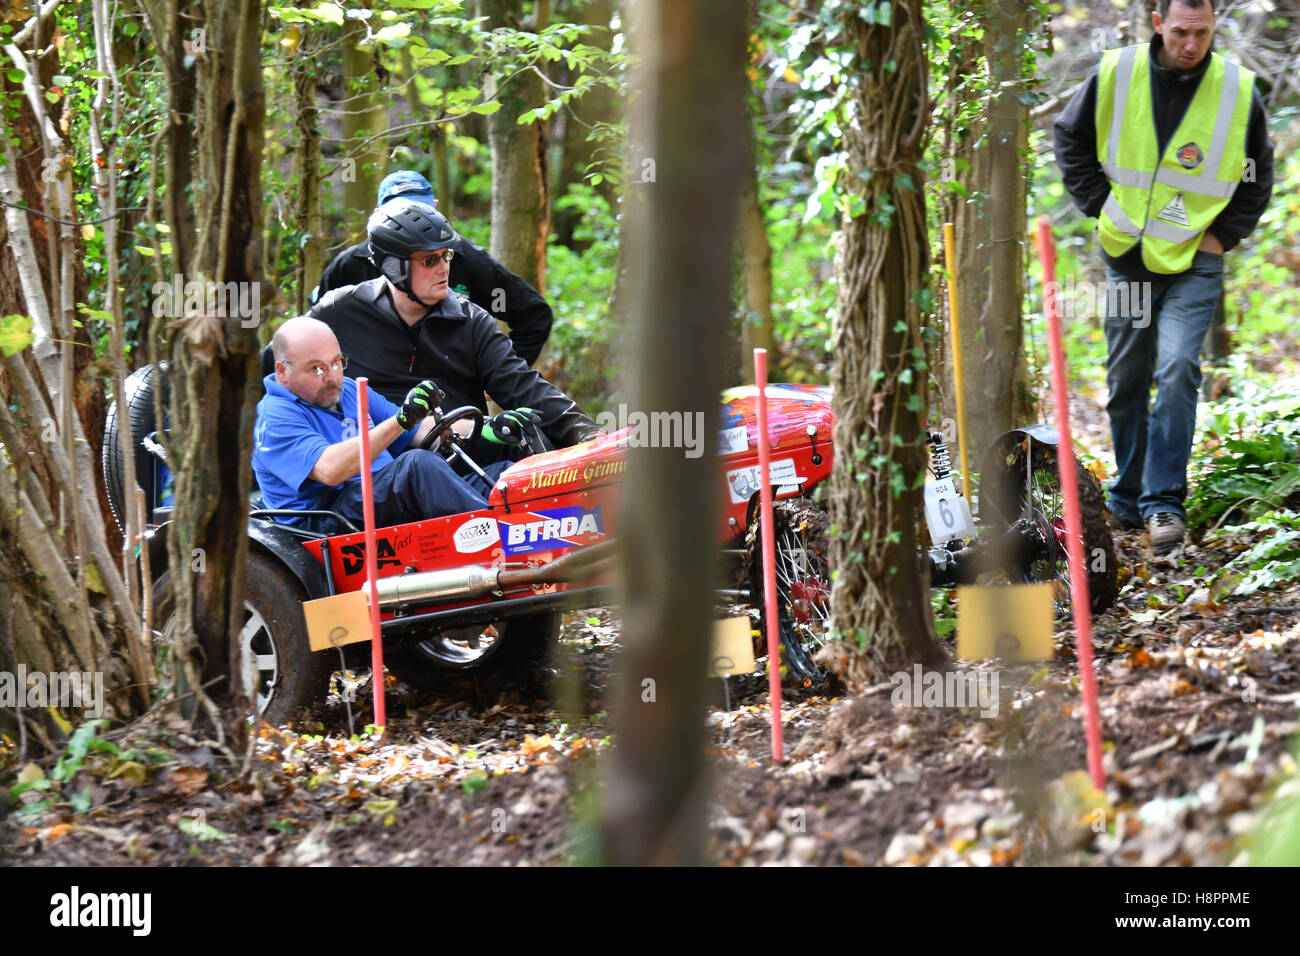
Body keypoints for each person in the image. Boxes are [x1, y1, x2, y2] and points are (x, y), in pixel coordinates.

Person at [1053, 0, 1273, 553]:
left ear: (1215, 25)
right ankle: (1127, 498)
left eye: (1202, 32)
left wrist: (1223, 236)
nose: (1191, 44)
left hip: (1196, 261)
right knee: (1127, 377)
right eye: (1180, 32)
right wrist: (1101, 206)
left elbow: (1256, 172)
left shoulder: (1238, 90)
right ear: (1158, 23)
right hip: (1127, 258)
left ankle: (1163, 504)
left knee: (1177, 366)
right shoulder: (1116, 72)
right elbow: (1069, 139)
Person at [309, 199, 601, 467]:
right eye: (430, 261)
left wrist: (589, 435)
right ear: (392, 266)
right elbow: (284, 363)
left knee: (527, 435)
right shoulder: (338, 311)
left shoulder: (471, 320)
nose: (444, 268)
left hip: (463, 465)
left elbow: (524, 387)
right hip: (375, 473)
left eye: (446, 255)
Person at [252, 316, 508, 534]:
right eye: (317, 368)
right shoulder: (272, 416)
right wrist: (399, 422)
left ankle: (537, 531)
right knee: (416, 466)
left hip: (383, 500)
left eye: (336, 362)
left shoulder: (350, 389)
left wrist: (488, 428)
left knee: (504, 475)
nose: (332, 377)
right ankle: (500, 535)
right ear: (282, 371)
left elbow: (418, 429)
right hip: (325, 524)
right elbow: (330, 470)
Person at [311, 170, 553, 368]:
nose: (412, 222)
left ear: (436, 208)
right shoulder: (350, 265)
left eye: (421, 211)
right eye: (401, 214)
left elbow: (534, 315)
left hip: (449, 401)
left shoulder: (466, 259)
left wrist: (501, 375)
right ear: (378, 215)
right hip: (370, 399)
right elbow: (315, 332)